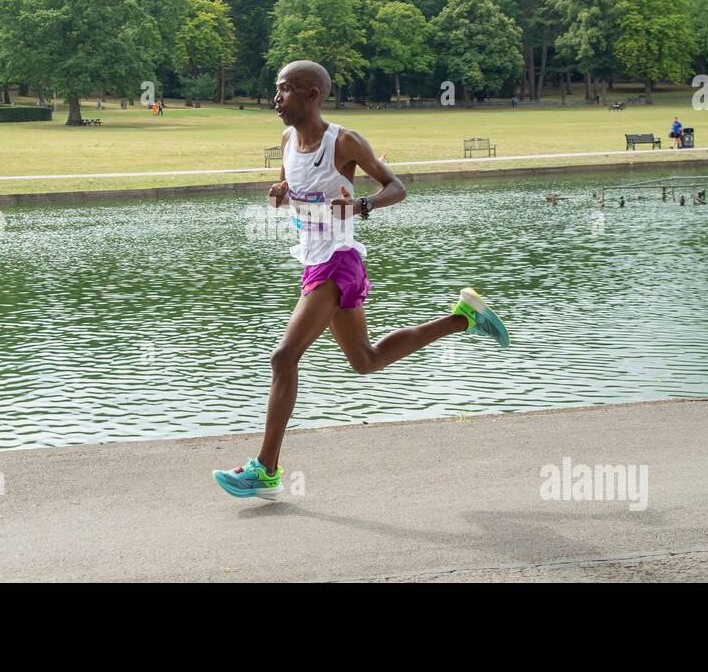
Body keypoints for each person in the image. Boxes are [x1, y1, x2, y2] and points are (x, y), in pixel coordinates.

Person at [212, 60, 511, 499]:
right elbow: (289, 185)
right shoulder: (286, 140)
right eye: (276, 90)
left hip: (339, 261)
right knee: (366, 361)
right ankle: (462, 319)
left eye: (285, 90)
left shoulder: (344, 142)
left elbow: (397, 187)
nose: (275, 98)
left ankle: (266, 469)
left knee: (283, 357)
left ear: (312, 95)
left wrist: (362, 207)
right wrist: (280, 193)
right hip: (313, 260)